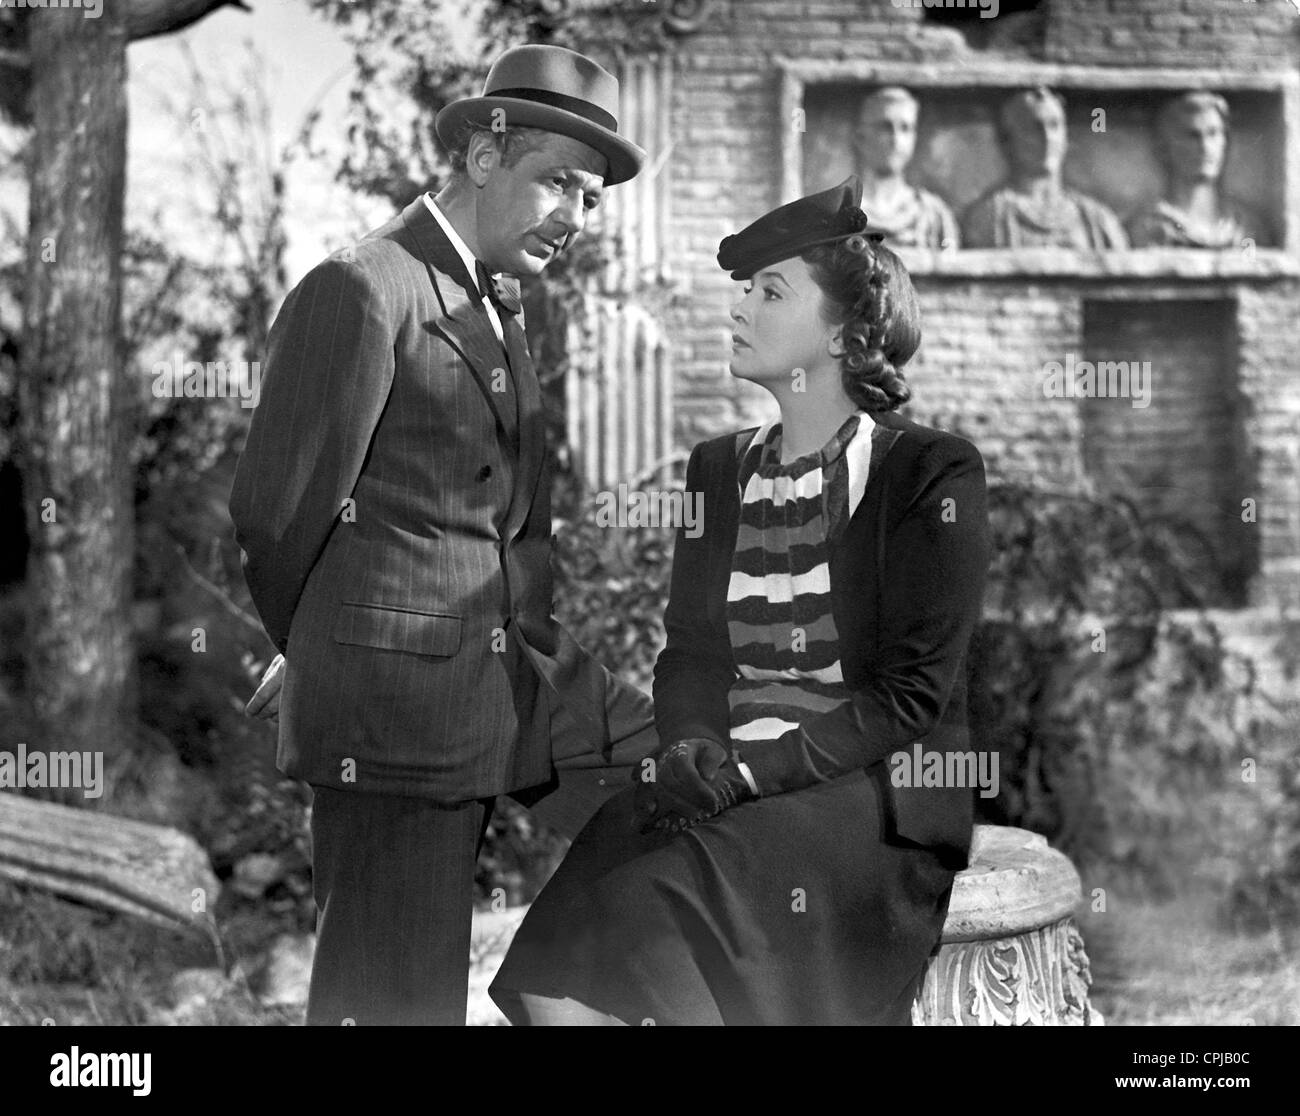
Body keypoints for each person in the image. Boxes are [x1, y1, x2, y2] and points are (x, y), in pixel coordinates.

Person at [489, 176, 993, 1026]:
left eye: (771, 292)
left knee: (654, 906)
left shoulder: (930, 473)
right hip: (732, 781)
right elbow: (691, 654)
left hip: (869, 797)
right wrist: (693, 746)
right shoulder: (718, 471)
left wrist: (751, 774)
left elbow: (910, 697)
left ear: (842, 334)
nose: (740, 309)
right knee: (556, 953)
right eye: (745, 291)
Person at [229, 44, 661, 1027]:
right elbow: (275, 513)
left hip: (515, 675)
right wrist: (317, 645)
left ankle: (553, 998)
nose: (575, 218)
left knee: (691, 790)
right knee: (396, 1001)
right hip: (395, 715)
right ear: (482, 155)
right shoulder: (365, 287)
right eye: (558, 183)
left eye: (590, 199)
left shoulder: (491, 297)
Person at [963, 86, 1127, 250]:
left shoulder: (1097, 218)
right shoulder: (988, 217)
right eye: (1032, 128)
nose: (1047, 137)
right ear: (1007, 140)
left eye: (1054, 125)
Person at [1127, 90, 1267, 249]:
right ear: (1163, 147)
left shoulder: (1246, 228)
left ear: (1225, 143)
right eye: (1192, 136)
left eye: (1213, 133)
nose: (1205, 147)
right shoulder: (1146, 226)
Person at [854, 86, 959, 250]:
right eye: (885, 127)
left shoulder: (933, 215)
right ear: (861, 137)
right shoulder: (838, 216)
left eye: (905, 128)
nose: (896, 140)